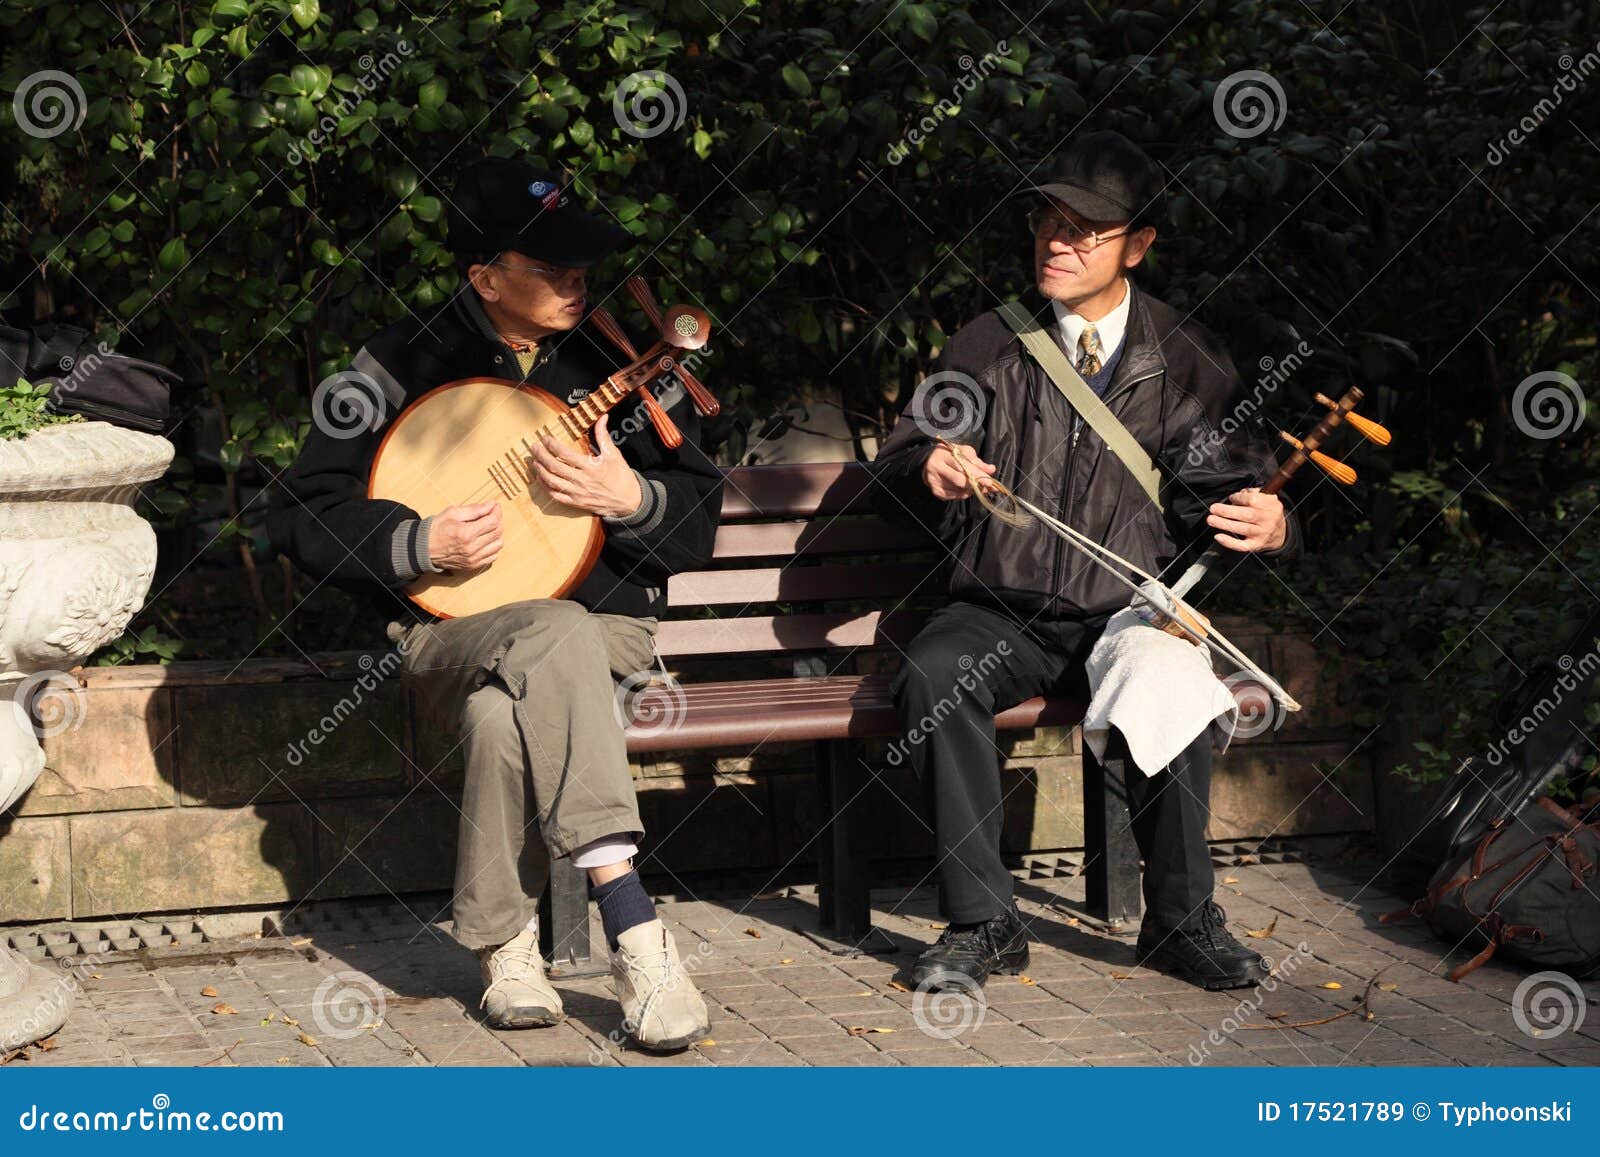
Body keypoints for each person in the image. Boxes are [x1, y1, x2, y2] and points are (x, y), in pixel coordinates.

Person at [267, 157, 720, 1051]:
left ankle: (504, 943)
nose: (576, 282)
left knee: (504, 705)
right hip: (446, 629)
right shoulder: (397, 361)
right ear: (483, 277)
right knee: (548, 635)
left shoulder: (623, 363)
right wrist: (417, 543)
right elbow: (297, 515)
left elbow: (698, 525)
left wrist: (628, 501)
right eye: (550, 267)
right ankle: (637, 929)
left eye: (580, 265)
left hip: (610, 630)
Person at [871, 130, 1303, 992]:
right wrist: (930, 462)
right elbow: (899, 456)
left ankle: (1179, 922)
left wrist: (1274, 522)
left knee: (1172, 673)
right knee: (934, 671)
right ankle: (985, 921)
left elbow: (1227, 499)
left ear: (1138, 245)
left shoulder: (1188, 358)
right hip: (1002, 606)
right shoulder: (989, 342)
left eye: (1086, 229)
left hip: (1127, 608)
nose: (1058, 242)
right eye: (1048, 222)